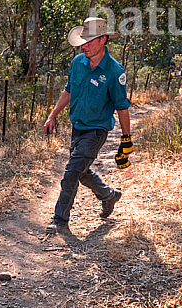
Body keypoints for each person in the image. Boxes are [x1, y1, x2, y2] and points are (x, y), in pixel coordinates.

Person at [44, 17, 133, 234]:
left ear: (103, 40)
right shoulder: (77, 63)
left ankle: (60, 220)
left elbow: (122, 107)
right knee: (81, 172)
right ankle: (108, 195)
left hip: (96, 130)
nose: (84, 46)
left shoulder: (114, 71)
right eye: (83, 41)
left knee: (71, 173)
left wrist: (126, 140)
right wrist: (52, 115)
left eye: (89, 41)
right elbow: (68, 91)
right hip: (77, 127)